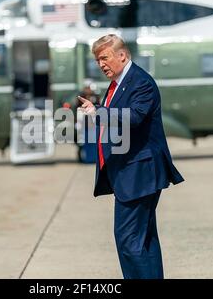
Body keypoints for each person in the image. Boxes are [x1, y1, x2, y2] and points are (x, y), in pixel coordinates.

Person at [78, 34, 184, 279]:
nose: (101, 64)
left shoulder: (140, 82)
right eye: (97, 60)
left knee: (129, 241)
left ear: (122, 55)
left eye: (104, 58)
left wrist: (99, 112)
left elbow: (134, 118)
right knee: (144, 240)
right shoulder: (117, 84)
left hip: (139, 173)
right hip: (129, 173)